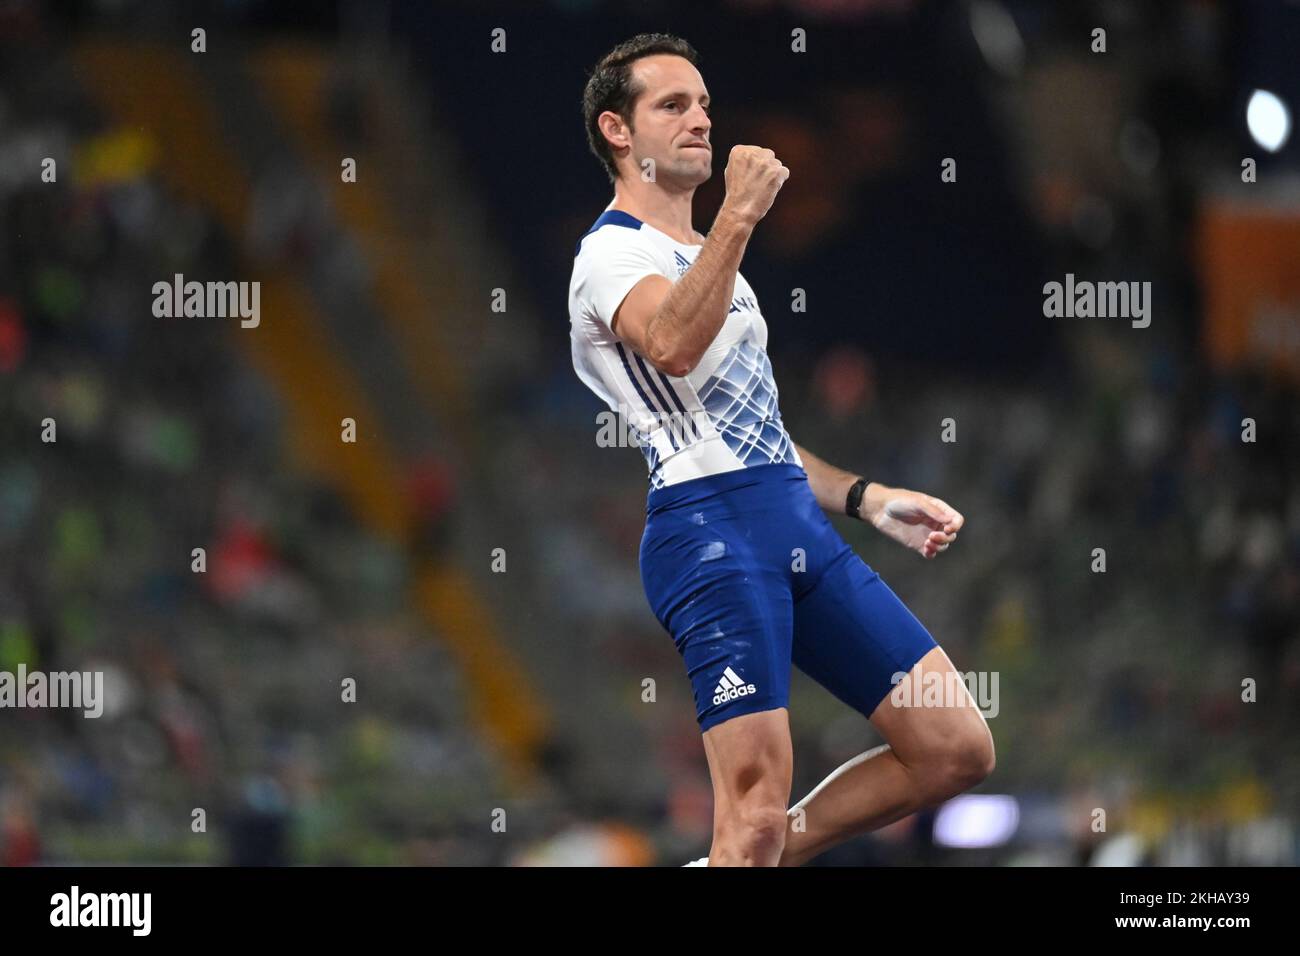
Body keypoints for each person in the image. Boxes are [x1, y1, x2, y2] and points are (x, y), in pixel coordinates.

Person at [568, 34, 994, 866]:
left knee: (954, 746)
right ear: (617, 131)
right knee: (751, 817)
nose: (701, 120)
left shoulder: (711, 262)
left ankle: (748, 857)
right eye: (673, 106)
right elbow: (670, 344)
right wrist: (738, 214)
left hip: (794, 522)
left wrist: (869, 498)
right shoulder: (610, 254)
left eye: (704, 105)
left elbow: (758, 435)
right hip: (710, 535)